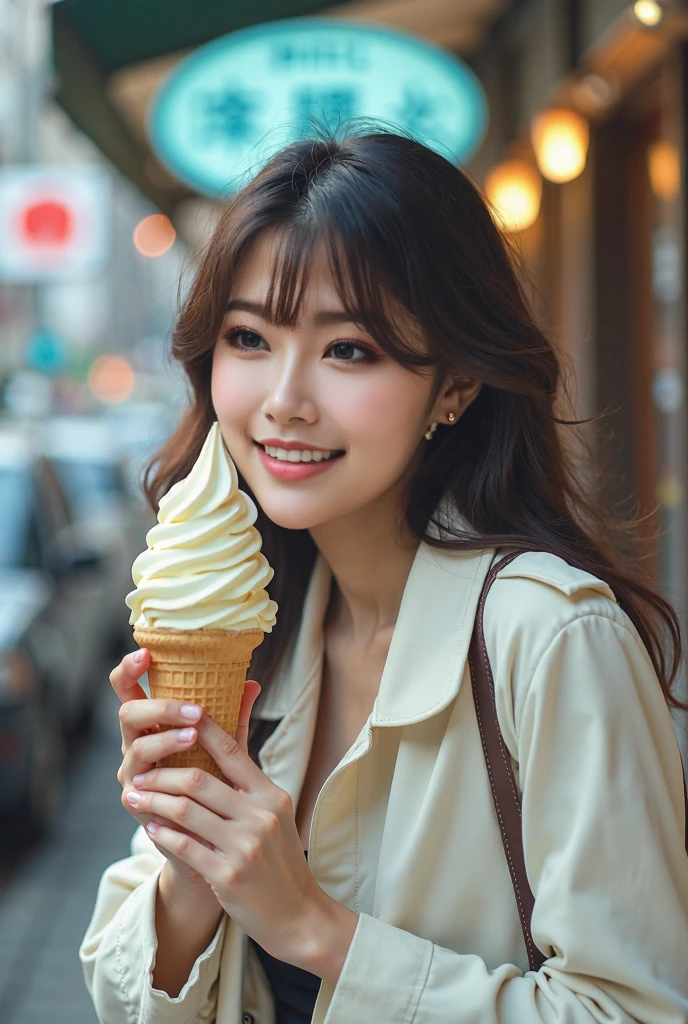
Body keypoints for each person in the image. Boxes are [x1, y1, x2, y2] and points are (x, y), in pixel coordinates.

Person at [80, 129, 688, 1024]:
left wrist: (317, 929)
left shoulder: (550, 635)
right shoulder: (256, 618)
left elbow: (635, 1010)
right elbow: (118, 986)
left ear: (456, 385)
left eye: (349, 349)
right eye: (248, 337)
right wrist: (194, 863)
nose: (284, 399)